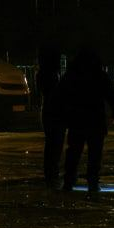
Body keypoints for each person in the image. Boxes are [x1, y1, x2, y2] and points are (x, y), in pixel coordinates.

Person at [56, 47, 114, 194]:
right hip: (95, 118)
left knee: (74, 151)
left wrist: (62, 115)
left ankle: (69, 180)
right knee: (94, 153)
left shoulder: (72, 75)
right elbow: (111, 95)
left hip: (77, 119)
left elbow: (61, 95)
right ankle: (92, 181)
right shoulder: (99, 75)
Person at [37, 42, 65, 187]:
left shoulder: (42, 73)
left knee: (51, 143)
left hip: (48, 110)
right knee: (55, 143)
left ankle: (50, 173)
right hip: (55, 111)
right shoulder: (52, 75)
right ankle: (52, 173)